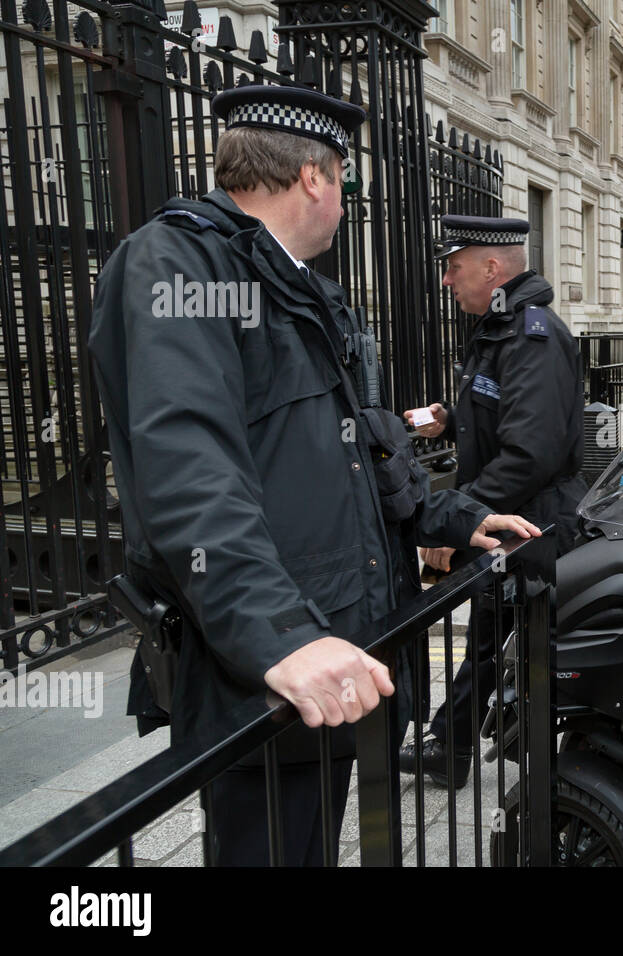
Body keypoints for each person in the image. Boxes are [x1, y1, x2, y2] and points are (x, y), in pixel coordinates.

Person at [87, 87, 538, 865]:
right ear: (314, 178)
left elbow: (363, 447)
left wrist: (451, 516)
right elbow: (187, 466)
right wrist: (281, 636)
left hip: (343, 653)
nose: (345, 204)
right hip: (272, 674)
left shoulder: (303, 287)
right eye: (346, 184)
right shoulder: (177, 262)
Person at [400, 214, 586, 788]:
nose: (447, 281)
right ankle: (452, 744)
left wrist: (455, 520)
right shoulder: (502, 330)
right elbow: (508, 419)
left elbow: (531, 453)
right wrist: (451, 421)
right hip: (510, 518)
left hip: (530, 522)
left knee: (506, 636)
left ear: (492, 267)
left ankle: (520, 764)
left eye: (454, 268)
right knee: (490, 632)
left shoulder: (531, 334)